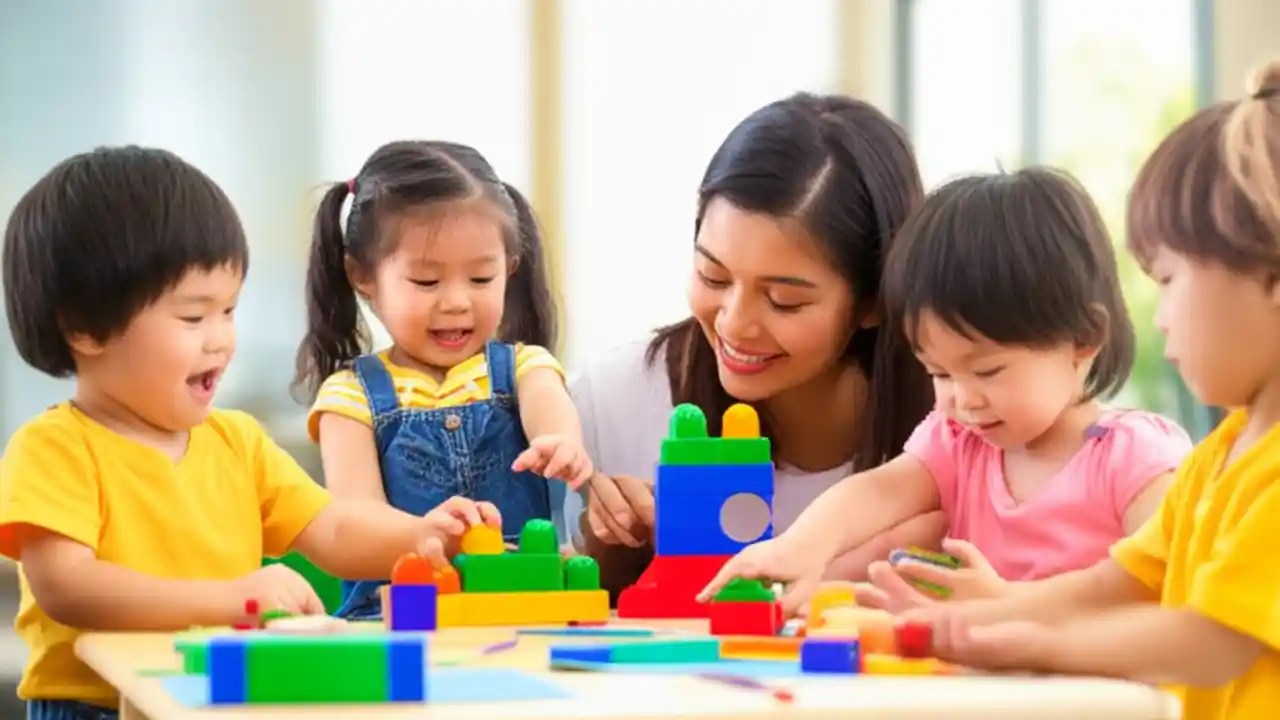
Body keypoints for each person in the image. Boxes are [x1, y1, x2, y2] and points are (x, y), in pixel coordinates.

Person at [0, 146, 499, 720]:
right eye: (193, 317)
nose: (220, 339)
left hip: (217, 694)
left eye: (229, 311)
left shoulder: (238, 442)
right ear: (85, 328)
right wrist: (231, 599)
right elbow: (70, 587)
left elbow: (333, 529)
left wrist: (424, 536)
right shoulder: (55, 448)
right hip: (101, 704)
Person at [896, 59, 1280, 720]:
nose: (1158, 316)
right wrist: (992, 618)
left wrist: (1040, 646)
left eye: (1168, 280)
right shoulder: (1220, 458)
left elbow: (1213, 641)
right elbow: (1121, 581)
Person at [698, 167, 1191, 613]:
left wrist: (1011, 603)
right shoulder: (960, 444)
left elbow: (1164, 580)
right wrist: (802, 546)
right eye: (939, 373)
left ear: (1083, 340)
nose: (962, 399)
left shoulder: (1135, 458)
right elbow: (880, 488)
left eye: (988, 371)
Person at [569, 93, 945, 597]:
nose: (735, 323)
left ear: (875, 299)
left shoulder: (959, 420)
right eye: (713, 275)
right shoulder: (611, 400)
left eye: (784, 300)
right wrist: (609, 555)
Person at [295, 140, 589, 619]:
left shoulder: (521, 368)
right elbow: (354, 517)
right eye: (427, 282)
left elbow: (548, 410)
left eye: (480, 279)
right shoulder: (350, 397)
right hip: (402, 612)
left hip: (523, 602)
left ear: (510, 269)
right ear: (362, 276)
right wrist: (427, 537)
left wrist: (561, 443)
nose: (456, 302)